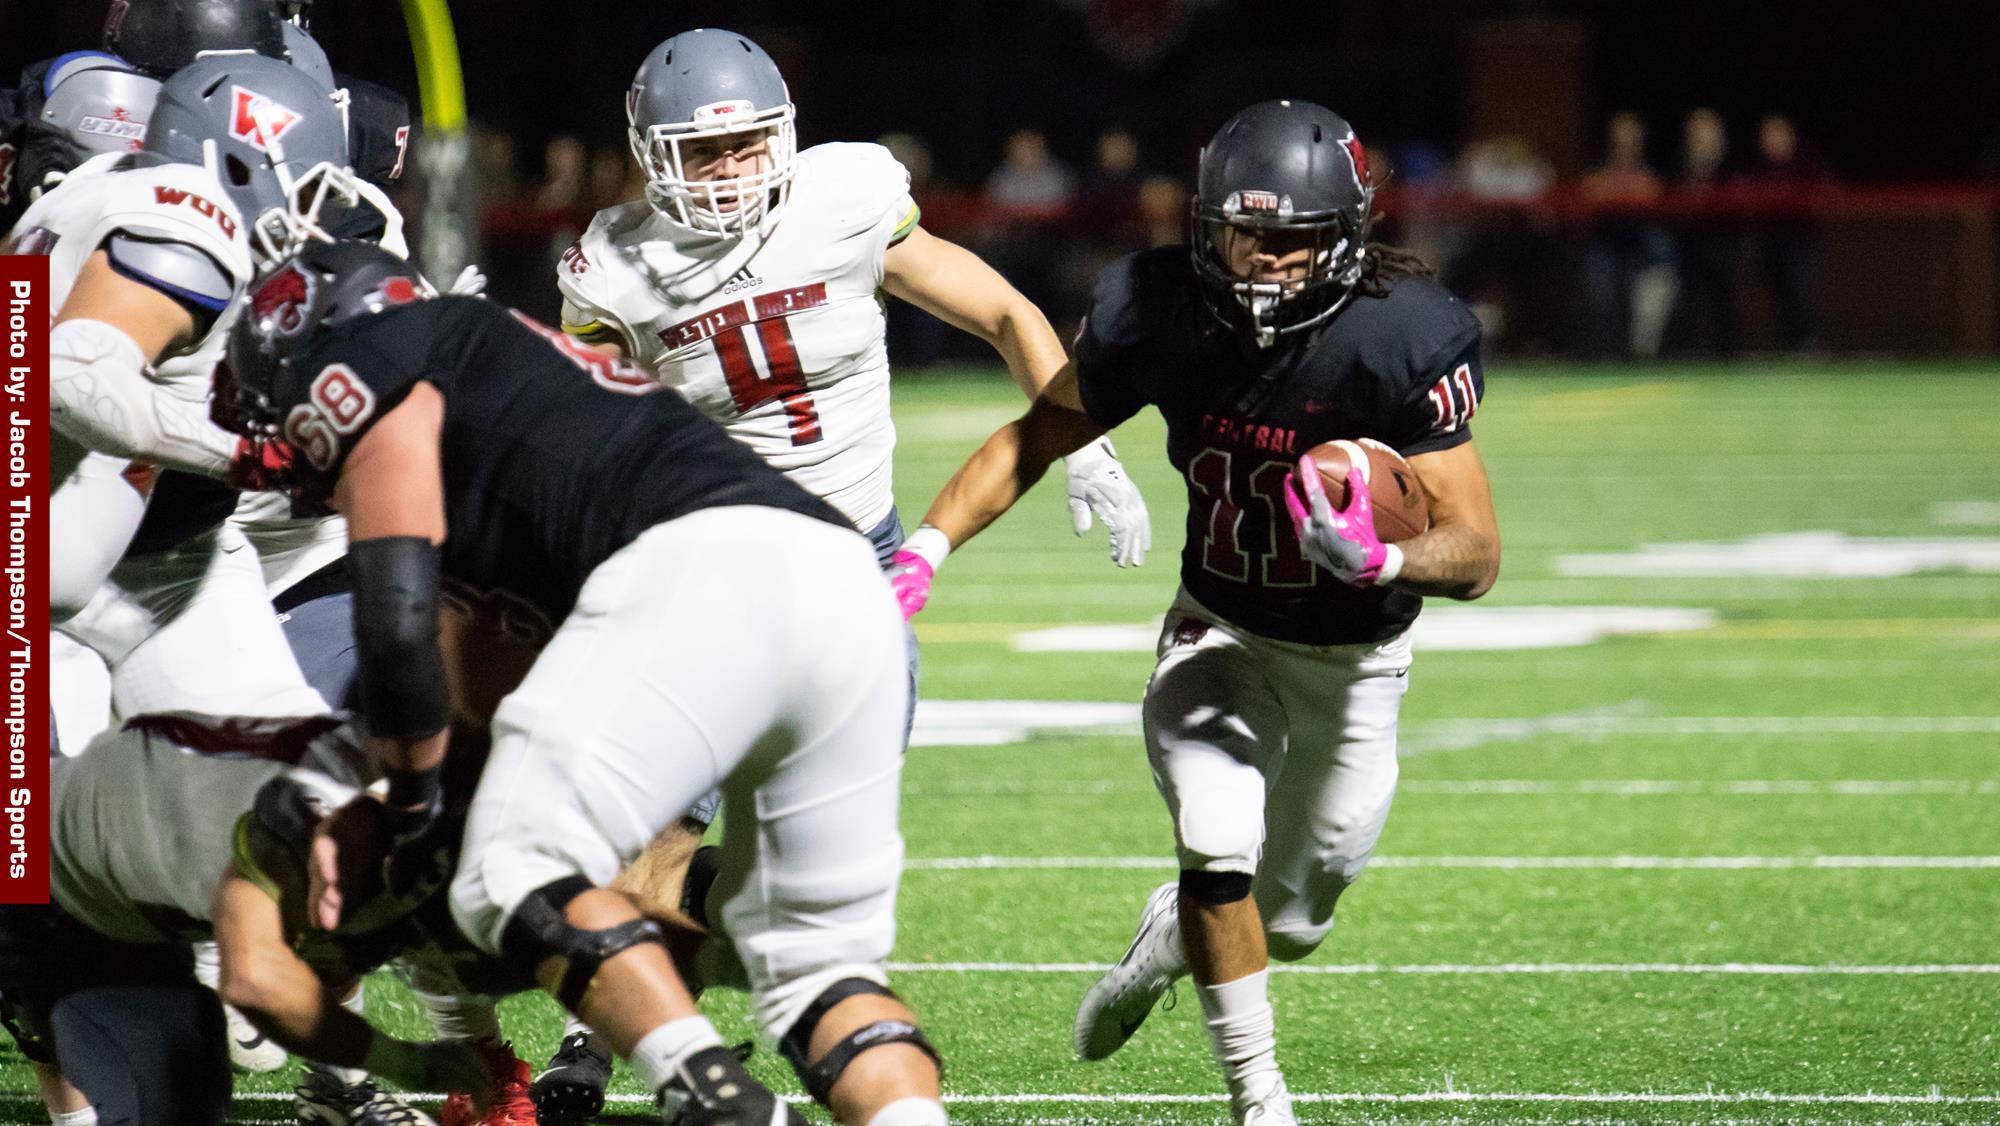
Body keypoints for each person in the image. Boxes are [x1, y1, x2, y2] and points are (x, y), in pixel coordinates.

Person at [543, 26, 1149, 1114]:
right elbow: (583, 439)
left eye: (745, 146)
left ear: (783, 137)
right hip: (704, 564)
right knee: (646, 820)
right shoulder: (610, 268)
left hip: (853, 565)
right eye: (703, 151)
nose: (729, 173)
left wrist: (1085, 437)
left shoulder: (844, 197)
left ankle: (782, 994)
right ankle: (605, 1025)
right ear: (648, 151)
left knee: (820, 834)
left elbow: (1005, 311)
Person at [218, 238, 947, 1126]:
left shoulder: (388, 357)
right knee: (810, 966)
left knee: (509, 866)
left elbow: (396, 621)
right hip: (842, 589)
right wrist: (427, 802)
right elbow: (479, 700)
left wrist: (408, 818)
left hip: (711, 568)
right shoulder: (506, 431)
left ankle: (722, 1103)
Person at [896, 100, 1502, 1125]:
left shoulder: (1400, 335)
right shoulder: (1158, 305)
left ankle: (1172, 935)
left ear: (1345, 239)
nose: (1262, 259)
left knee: (1297, 918)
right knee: (1217, 845)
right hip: (1214, 630)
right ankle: (1259, 1100)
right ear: (1203, 223)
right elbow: (1031, 436)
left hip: (1356, 660)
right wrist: (924, 547)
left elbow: (1477, 551)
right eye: (1241, 232)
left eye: (1290, 240)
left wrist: (1381, 554)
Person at [0, 711, 496, 1126]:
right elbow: (257, 981)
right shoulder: (285, 843)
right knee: (171, 1092)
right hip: (52, 899)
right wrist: (407, 1063)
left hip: (93, 855)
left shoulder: (356, 767)